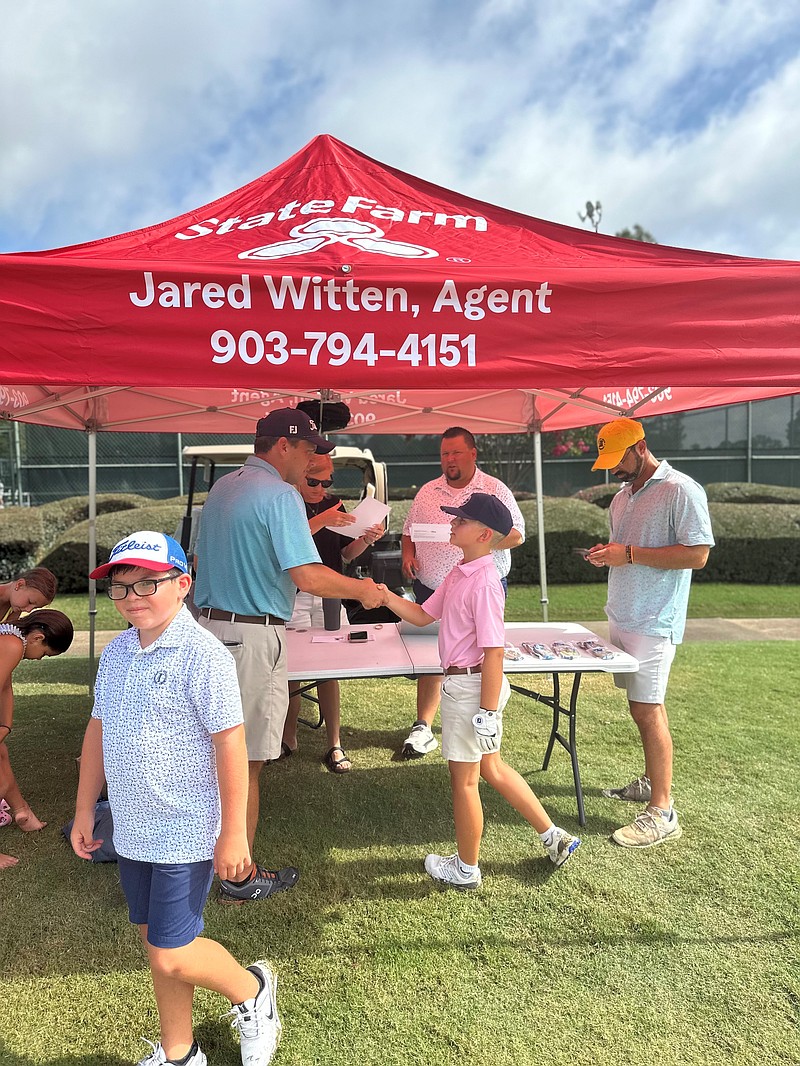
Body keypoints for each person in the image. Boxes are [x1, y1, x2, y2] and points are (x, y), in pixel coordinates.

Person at [72, 531, 281, 1066]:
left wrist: (233, 831)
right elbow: (98, 728)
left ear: (183, 584)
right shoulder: (117, 652)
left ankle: (252, 990)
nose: (133, 596)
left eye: (149, 583)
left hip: (185, 830)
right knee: (155, 944)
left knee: (173, 954)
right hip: (132, 826)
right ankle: (179, 1053)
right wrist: (82, 808)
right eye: (121, 588)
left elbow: (231, 744)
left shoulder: (202, 656)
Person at [194, 408, 384, 903]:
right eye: (308, 451)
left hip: (208, 631)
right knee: (245, 763)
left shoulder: (224, 487)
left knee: (211, 759)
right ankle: (238, 874)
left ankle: (202, 861)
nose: (314, 461)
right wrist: (364, 591)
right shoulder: (278, 494)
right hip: (251, 639)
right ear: (283, 446)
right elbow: (309, 576)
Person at [380, 493, 579, 889]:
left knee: (466, 781)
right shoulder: (460, 572)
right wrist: (385, 596)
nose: (452, 525)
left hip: (471, 689)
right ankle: (553, 836)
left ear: (484, 534)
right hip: (468, 686)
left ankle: (467, 869)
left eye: (461, 521)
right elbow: (422, 615)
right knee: (492, 768)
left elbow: (494, 652)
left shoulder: (485, 583)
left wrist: (486, 711)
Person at [586, 417, 713, 848]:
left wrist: (630, 553)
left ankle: (662, 810)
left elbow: (697, 555)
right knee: (638, 707)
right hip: (622, 615)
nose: (612, 470)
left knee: (648, 709)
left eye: (616, 459)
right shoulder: (621, 499)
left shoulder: (682, 490)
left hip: (655, 619)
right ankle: (649, 781)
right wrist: (608, 555)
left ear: (640, 447)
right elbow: (626, 552)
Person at [400, 427, 524, 758]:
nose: (449, 459)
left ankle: (480, 713)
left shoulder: (494, 489)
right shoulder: (427, 491)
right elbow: (408, 531)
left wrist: (480, 547)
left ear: (473, 453)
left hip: (477, 584)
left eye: (455, 452)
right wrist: (407, 557)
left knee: (477, 652)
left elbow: (517, 534)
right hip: (436, 585)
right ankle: (423, 724)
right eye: (444, 453)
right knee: (438, 656)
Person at [281, 451, 384, 773]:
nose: (322, 488)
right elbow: (284, 543)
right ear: (300, 474)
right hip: (294, 594)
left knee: (330, 671)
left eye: (328, 482)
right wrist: (322, 519)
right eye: (315, 481)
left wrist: (365, 539)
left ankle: (334, 743)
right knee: (290, 671)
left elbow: (344, 554)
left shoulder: (332, 503)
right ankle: (288, 737)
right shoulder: (285, 503)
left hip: (330, 595)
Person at [1, 608, 74, 869]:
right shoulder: (11, 644)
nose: (40, 659)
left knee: (3, 756)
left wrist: (5, 726)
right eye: (44, 653)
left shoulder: (12, 640)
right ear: (37, 638)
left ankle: (22, 812)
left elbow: (5, 685)